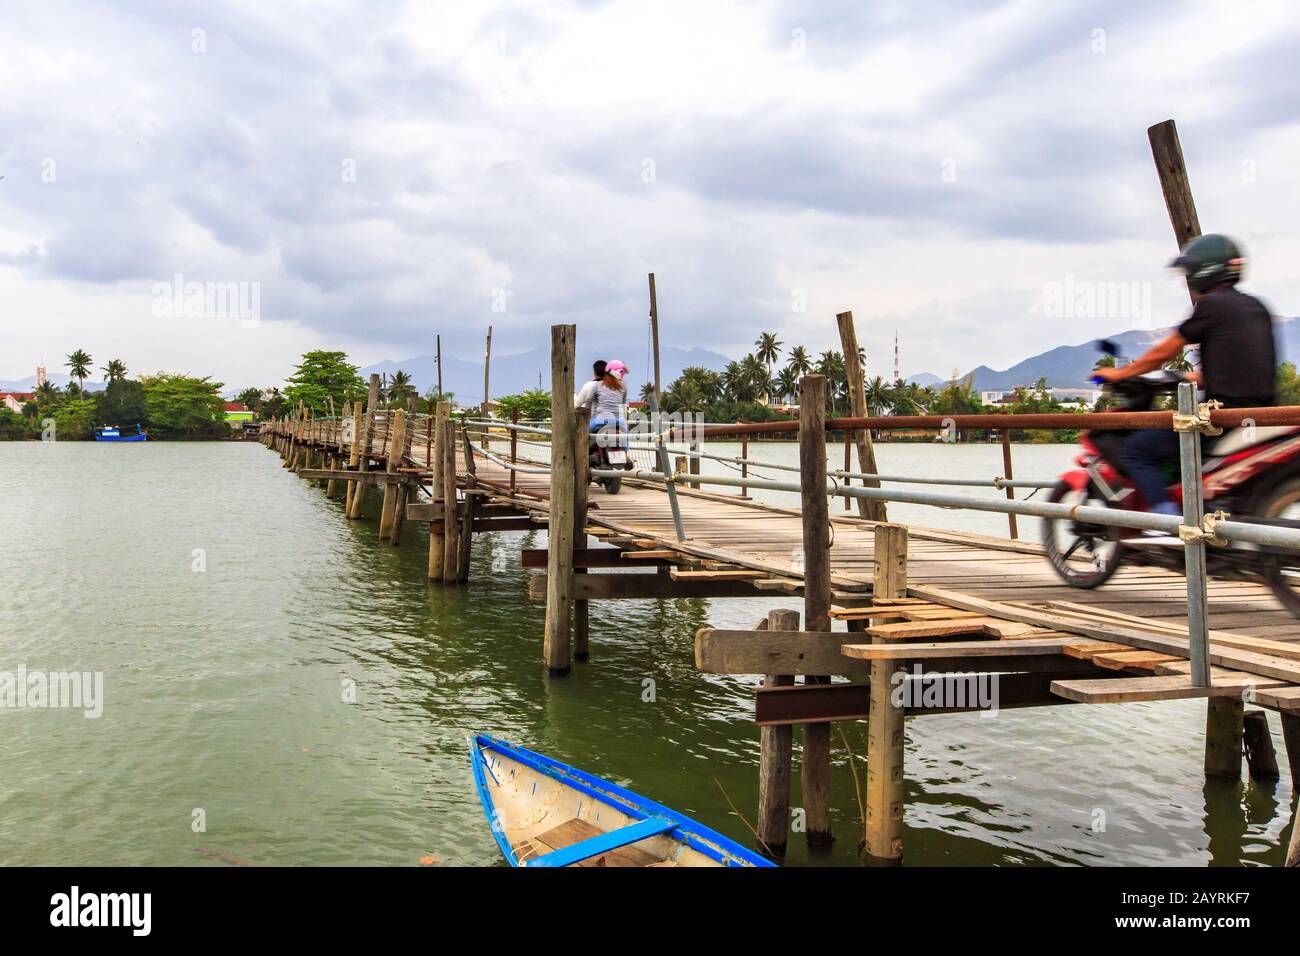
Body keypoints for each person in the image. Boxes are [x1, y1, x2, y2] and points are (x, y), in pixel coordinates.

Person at [1093, 234, 1277, 515]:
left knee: (1136, 451)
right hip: (1263, 417)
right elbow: (1239, 366)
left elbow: (1164, 351)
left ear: (1202, 272)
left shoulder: (1212, 305)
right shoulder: (1256, 307)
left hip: (1222, 418)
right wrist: (1187, 378)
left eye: (1187, 274)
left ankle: (1169, 527)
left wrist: (1121, 374)